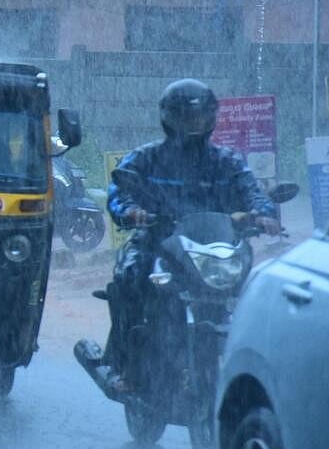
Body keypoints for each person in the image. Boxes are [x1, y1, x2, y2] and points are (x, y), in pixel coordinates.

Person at [103, 79, 280, 388]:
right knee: (130, 278)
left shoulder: (228, 161)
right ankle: (126, 364)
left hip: (214, 248)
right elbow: (119, 189)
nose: (193, 123)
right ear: (169, 118)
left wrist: (264, 215)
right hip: (160, 245)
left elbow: (252, 192)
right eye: (185, 116)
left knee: (258, 288)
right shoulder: (146, 157)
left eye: (199, 116)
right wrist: (131, 211)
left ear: (212, 117)